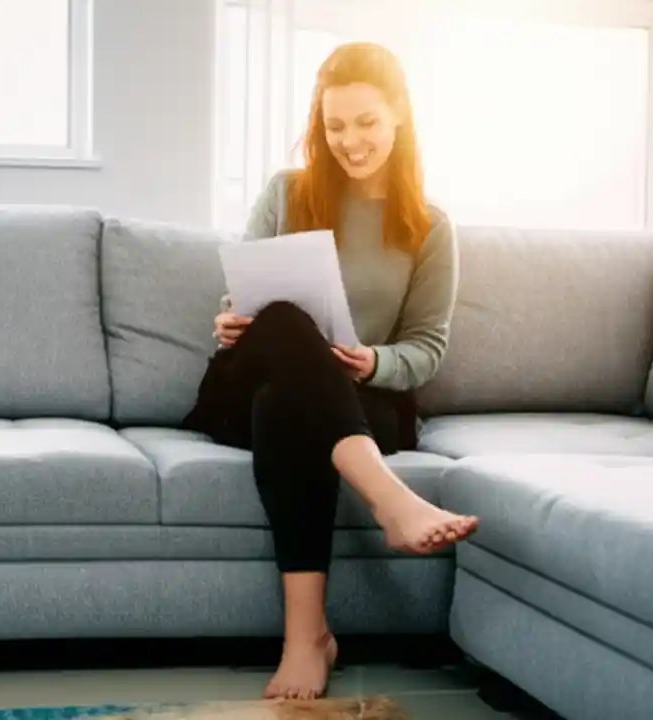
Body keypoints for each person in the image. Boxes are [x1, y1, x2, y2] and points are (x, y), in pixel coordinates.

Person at [180, 42, 479, 701]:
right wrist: (230, 318)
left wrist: (375, 360)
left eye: (365, 123)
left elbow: (427, 347)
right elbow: (246, 296)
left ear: (399, 116)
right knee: (284, 320)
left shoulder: (430, 226)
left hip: (357, 397)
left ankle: (307, 638)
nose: (349, 141)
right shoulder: (287, 193)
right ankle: (390, 500)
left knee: (289, 407)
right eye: (334, 125)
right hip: (243, 384)